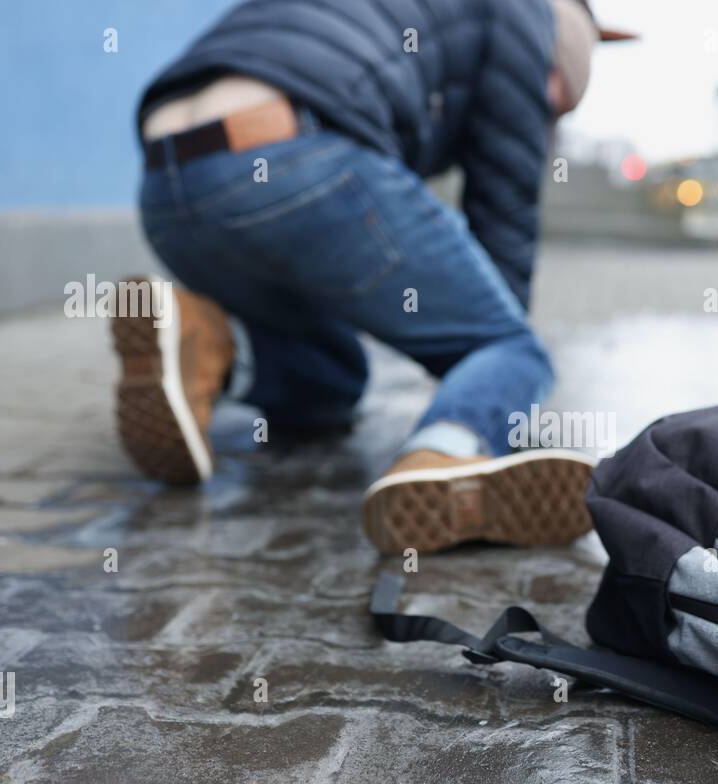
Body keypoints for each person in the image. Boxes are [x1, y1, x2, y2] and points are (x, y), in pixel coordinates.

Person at [113, 0, 633, 555]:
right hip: (293, 158)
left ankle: (202, 341)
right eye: (552, 103)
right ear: (563, 52)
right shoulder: (529, 11)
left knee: (331, 382)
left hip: (167, 185)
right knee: (513, 348)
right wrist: (489, 380)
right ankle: (446, 455)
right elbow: (503, 202)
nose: (545, 114)